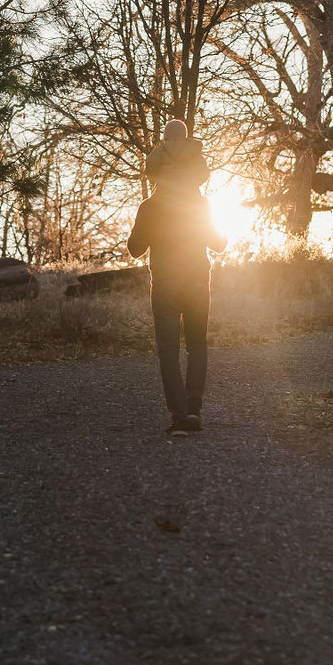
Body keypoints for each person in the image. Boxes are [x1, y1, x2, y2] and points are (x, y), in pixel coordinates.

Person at [128, 120, 226, 437]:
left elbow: (135, 249)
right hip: (197, 282)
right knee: (197, 345)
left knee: (168, 351)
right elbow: (219, 244)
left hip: (166, 284)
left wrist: (148, 225)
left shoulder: (150, 206)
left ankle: (180, 417)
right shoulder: (202, 204)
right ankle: (194, 412)